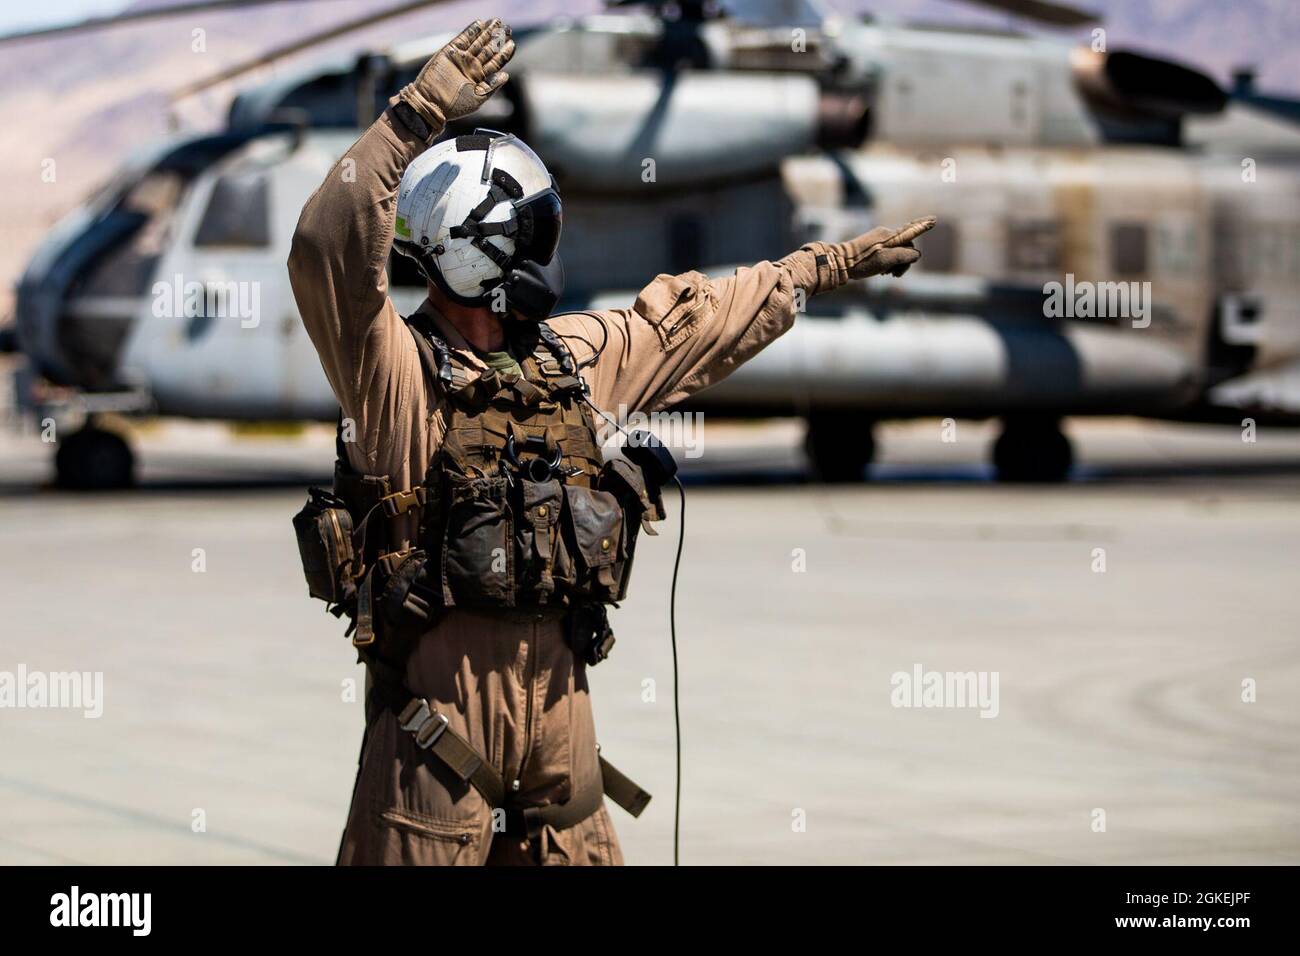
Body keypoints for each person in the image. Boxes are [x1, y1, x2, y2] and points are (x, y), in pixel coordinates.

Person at [288, 17, 934, 866]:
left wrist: (824, 265)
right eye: (535, 232)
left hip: (563, 745)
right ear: (482, 249)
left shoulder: (572, 362)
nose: (548, 252)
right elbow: (329, 246)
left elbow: (700, 320)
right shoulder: (393, 380)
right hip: (433, 756)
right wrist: (417, 115)